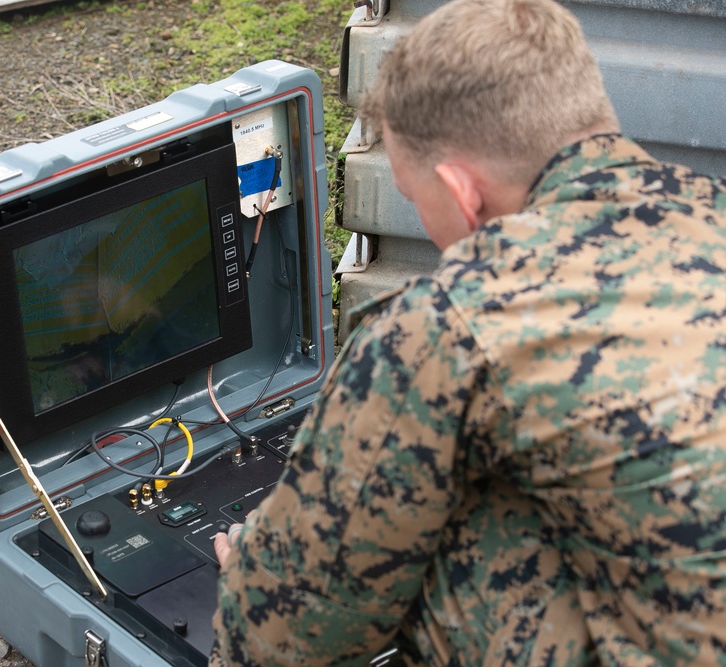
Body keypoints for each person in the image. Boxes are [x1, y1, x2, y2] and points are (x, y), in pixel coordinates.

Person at [210, 0, 726, 664]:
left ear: (462, 191)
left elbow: (281, 637)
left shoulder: (451, 321)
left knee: (439, 530)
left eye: (417, 200)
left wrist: (254, 574)